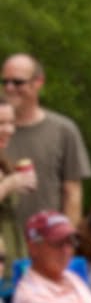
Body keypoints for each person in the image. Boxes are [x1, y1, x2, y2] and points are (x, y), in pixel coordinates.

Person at [1, 53, 91, 226]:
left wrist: (67, 241)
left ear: (38, 82)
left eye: (18, 82)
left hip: (46, 241)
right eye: (4, 82)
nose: (9, 88)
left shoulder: (63, 130)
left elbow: (72, 192)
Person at [0, 98, 35, 271]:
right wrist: (8, 185)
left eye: (11, 123)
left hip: (14, 259)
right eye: (1, 123)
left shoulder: (3, 160)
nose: (9, 130)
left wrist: (19, 183)